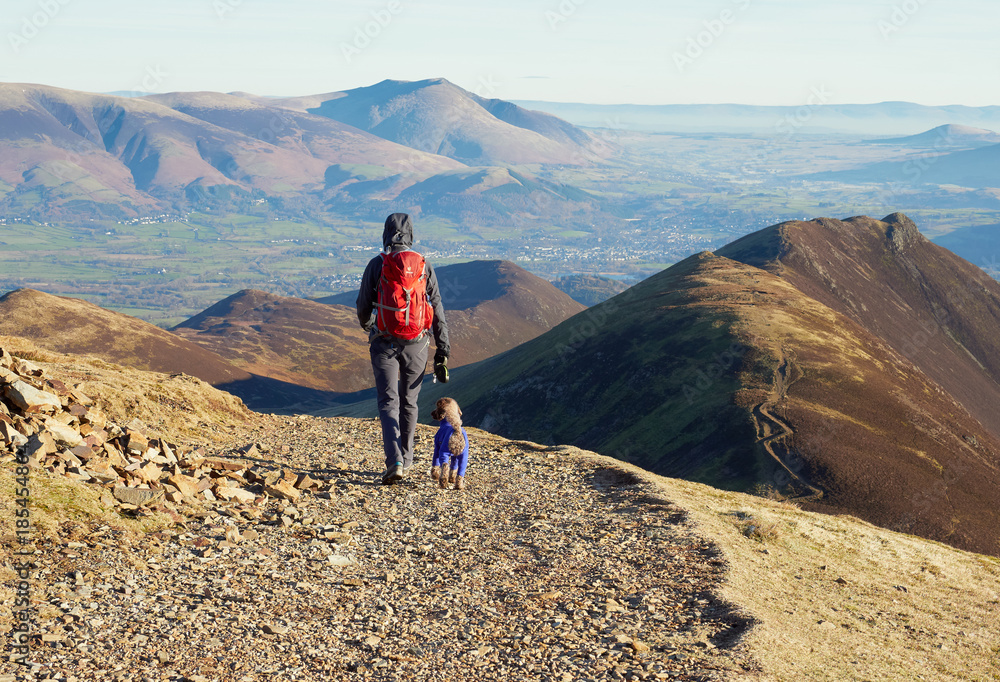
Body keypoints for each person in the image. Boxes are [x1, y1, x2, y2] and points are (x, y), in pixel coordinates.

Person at [357, 212, 450, 484]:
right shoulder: (423, 265)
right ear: (410, 235)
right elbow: (438, 308)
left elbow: (363, 304)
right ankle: (406, 459)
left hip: (384, 341)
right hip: (418, 344)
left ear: (386, 235)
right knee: (409, 402)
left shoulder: (378, 264)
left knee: (388, 402)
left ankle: (394, 461)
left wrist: (369, 325)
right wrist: (443, 348)